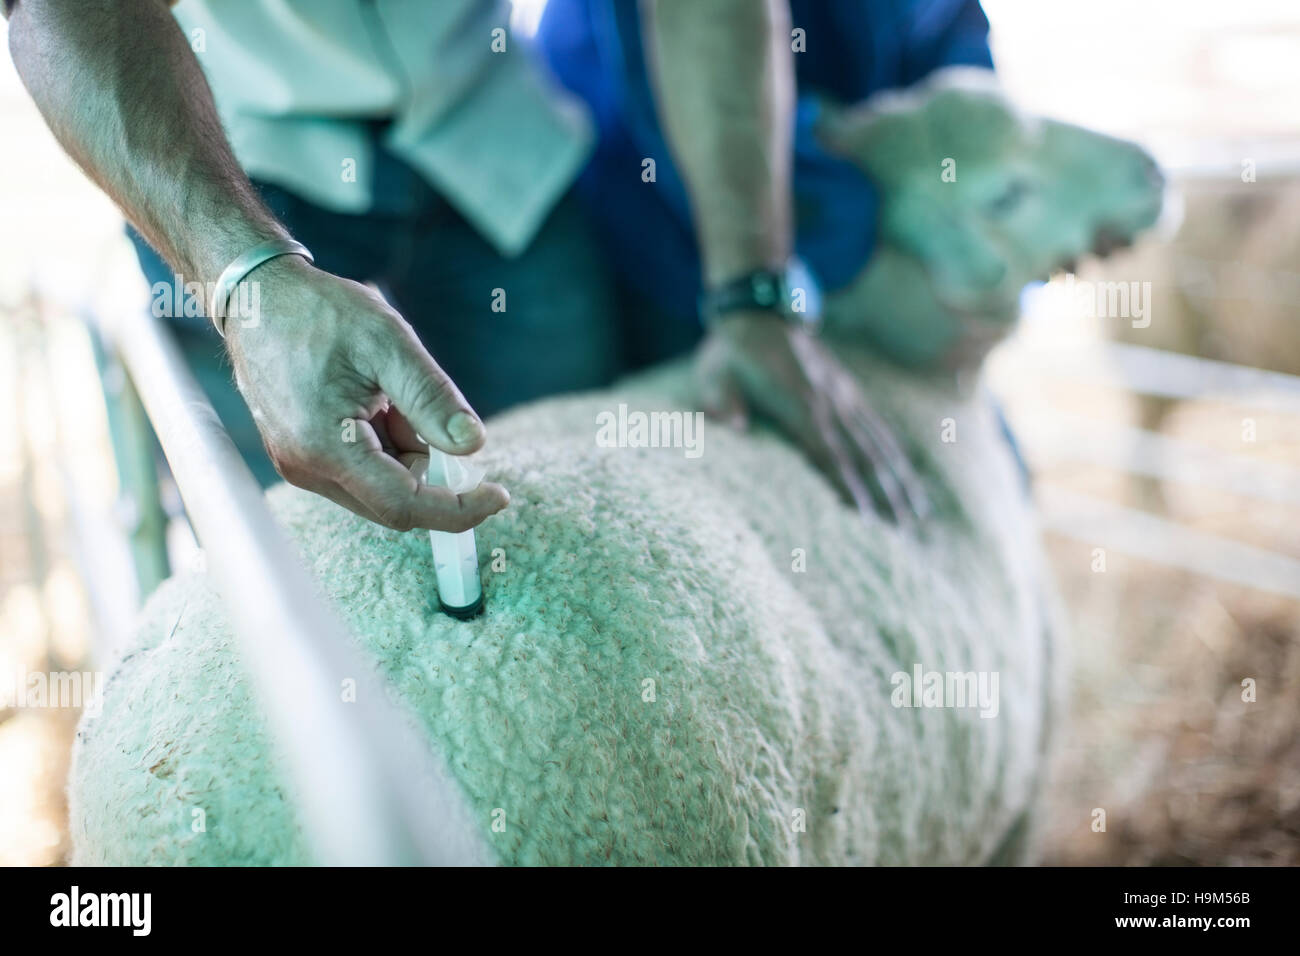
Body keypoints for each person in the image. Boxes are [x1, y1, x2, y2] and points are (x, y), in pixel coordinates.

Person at [5, 0, 925, 532]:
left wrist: (754, 292)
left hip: (498, 144)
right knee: (313, 553)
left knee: (568, 516)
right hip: (227, 164)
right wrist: (243, 280)